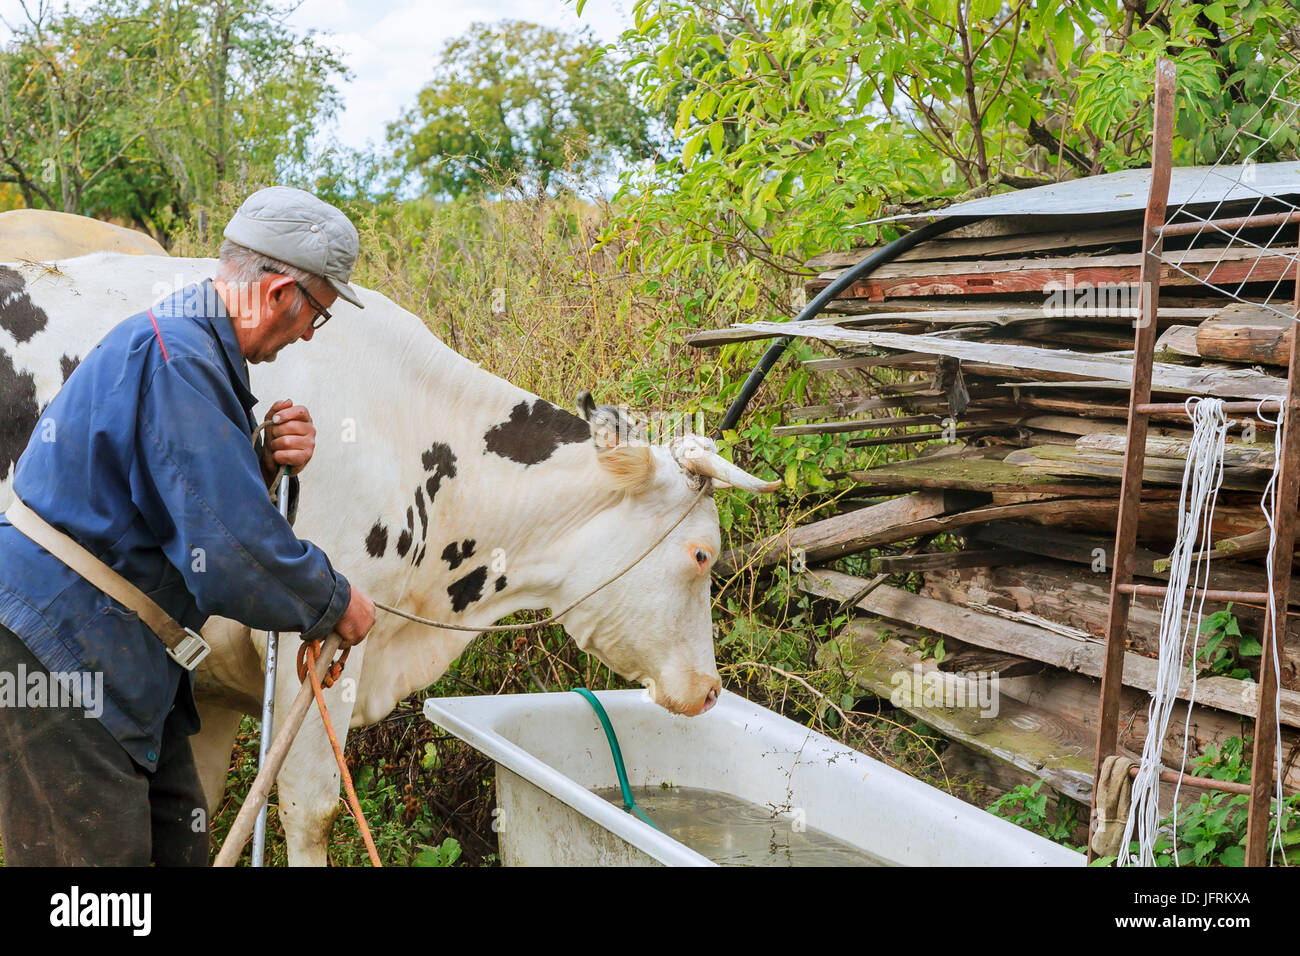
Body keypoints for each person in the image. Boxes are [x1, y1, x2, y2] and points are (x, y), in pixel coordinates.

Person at [0, 186, 375, 866]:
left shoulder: (186, 345)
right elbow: (228, 551)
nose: (306, 335)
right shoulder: (181, 360)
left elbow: (178, 505)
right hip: (57, 645)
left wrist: (256, 458)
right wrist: (331, 599)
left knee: (177, 838)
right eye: (316, 314)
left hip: (114, 649)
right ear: (279, 293)